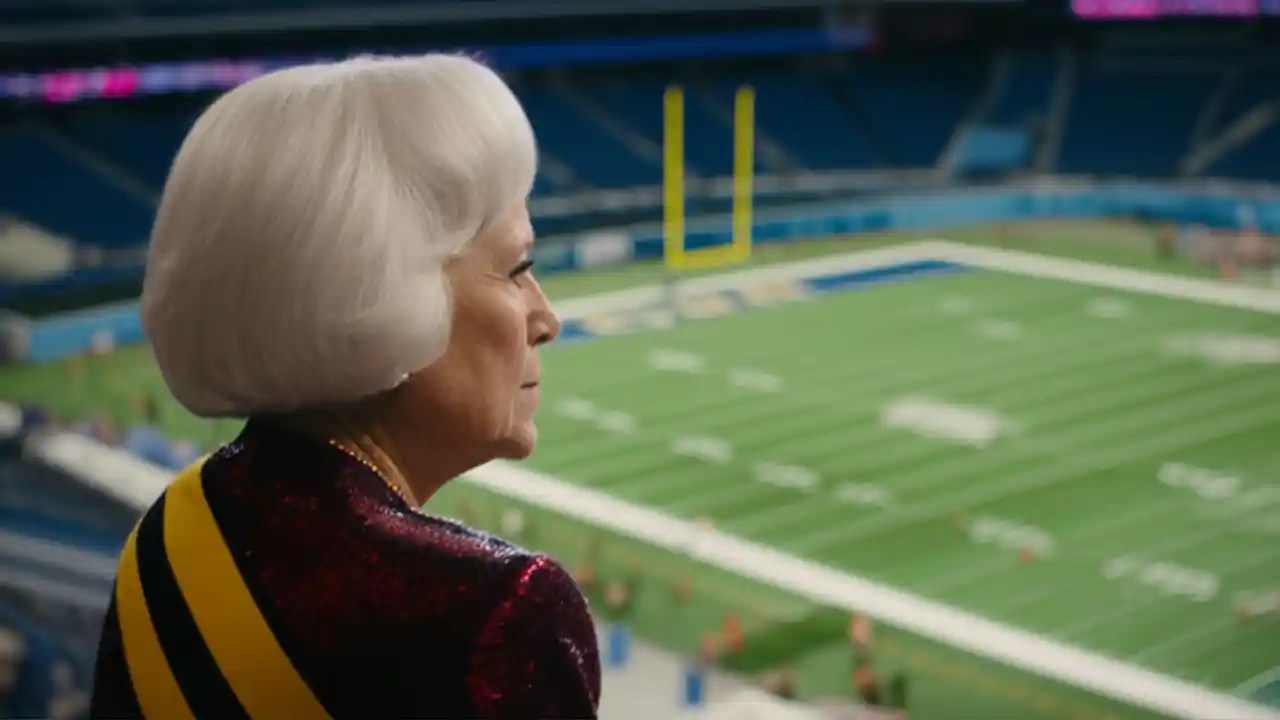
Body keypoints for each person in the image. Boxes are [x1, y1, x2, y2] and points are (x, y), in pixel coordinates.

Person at [90, 54, 599, 719]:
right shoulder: (496, 612)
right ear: (379, 296)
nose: (546, 319)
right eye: (516, 269)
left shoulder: (176, 526)